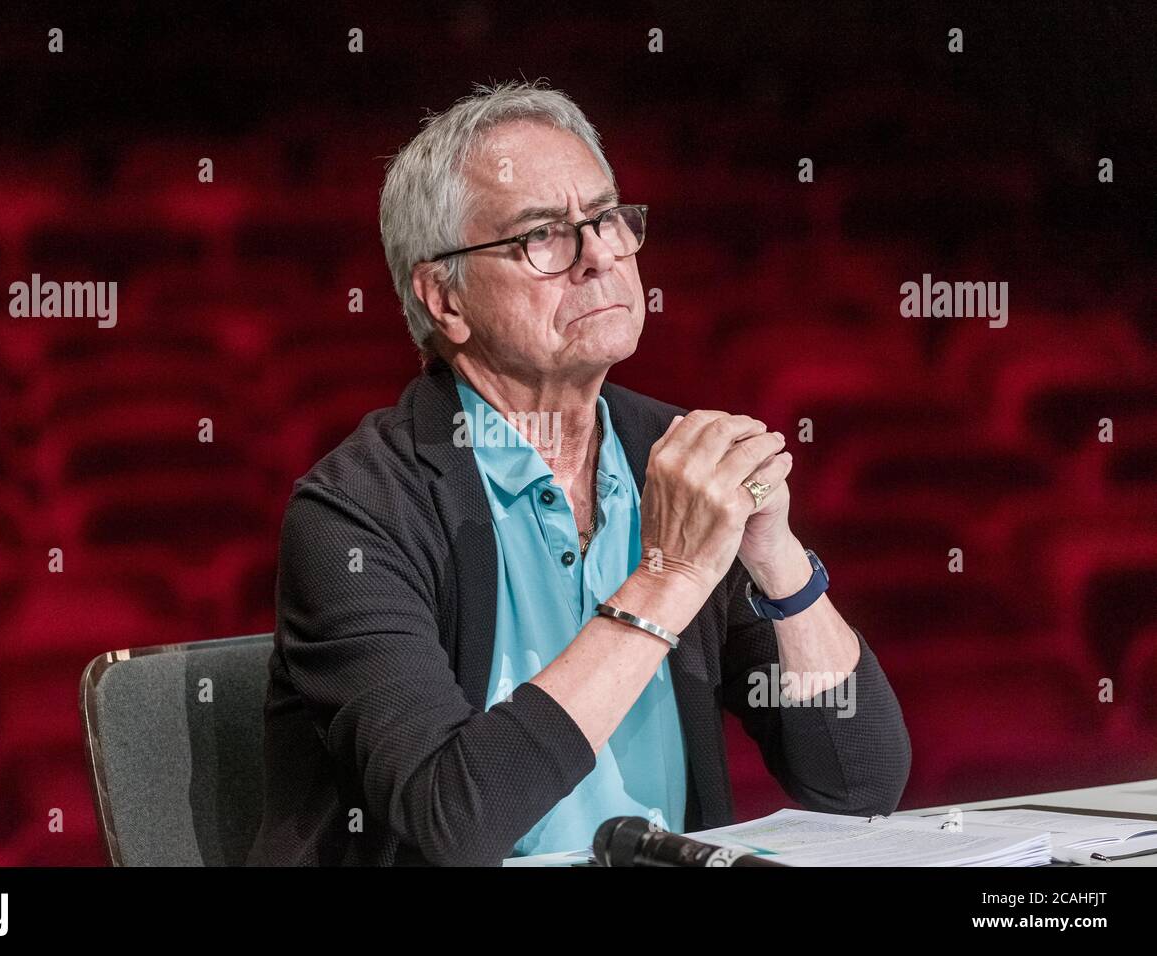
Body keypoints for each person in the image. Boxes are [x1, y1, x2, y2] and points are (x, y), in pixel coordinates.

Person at [247, 79, 910, 866]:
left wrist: (778, 560)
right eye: (544, 237)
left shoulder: (671, 457)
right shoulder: (356, 511)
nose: (600, 256)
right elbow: (451, 818)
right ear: (444, 298)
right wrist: (668, 574)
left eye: (607, 220)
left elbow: (858, 781)